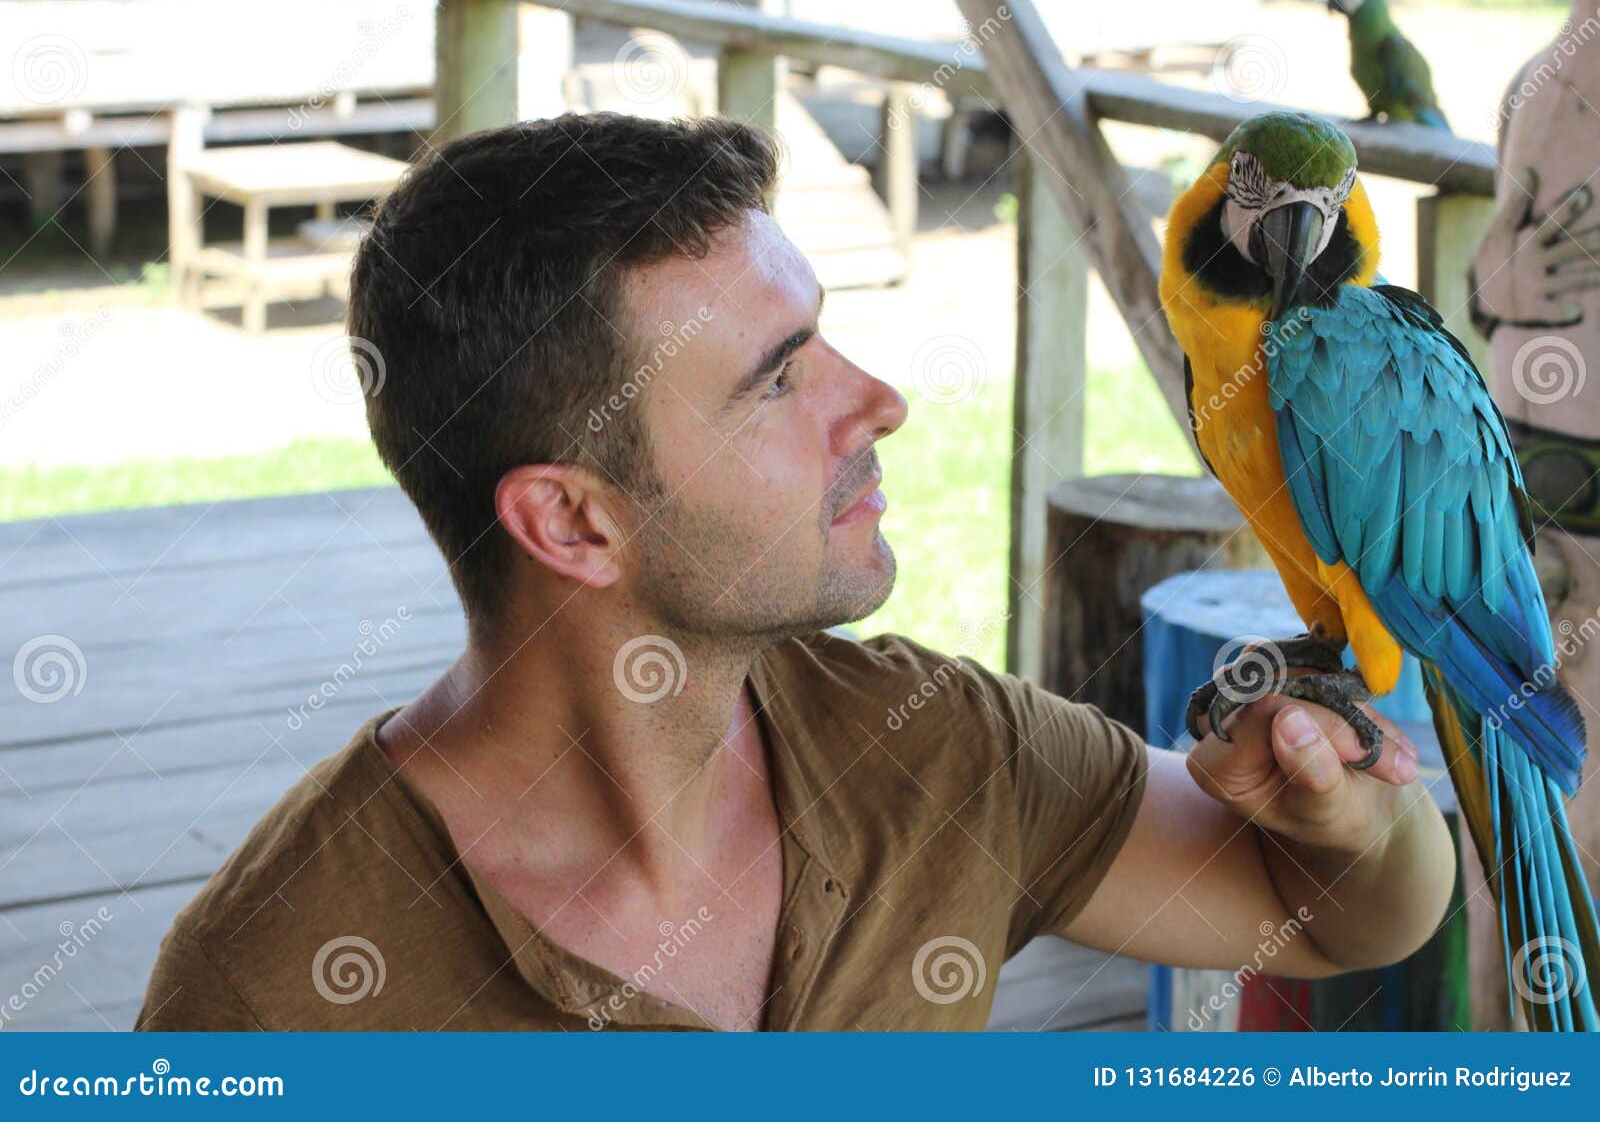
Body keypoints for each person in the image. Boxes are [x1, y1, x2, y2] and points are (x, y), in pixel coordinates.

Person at [135, 112, 1454, 1032]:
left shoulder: (934, 749)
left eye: (825, 339)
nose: (879, 401)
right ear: (573, 523)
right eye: (778, 379)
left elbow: (1340, 920)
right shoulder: (272, 991)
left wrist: (1357, 824)